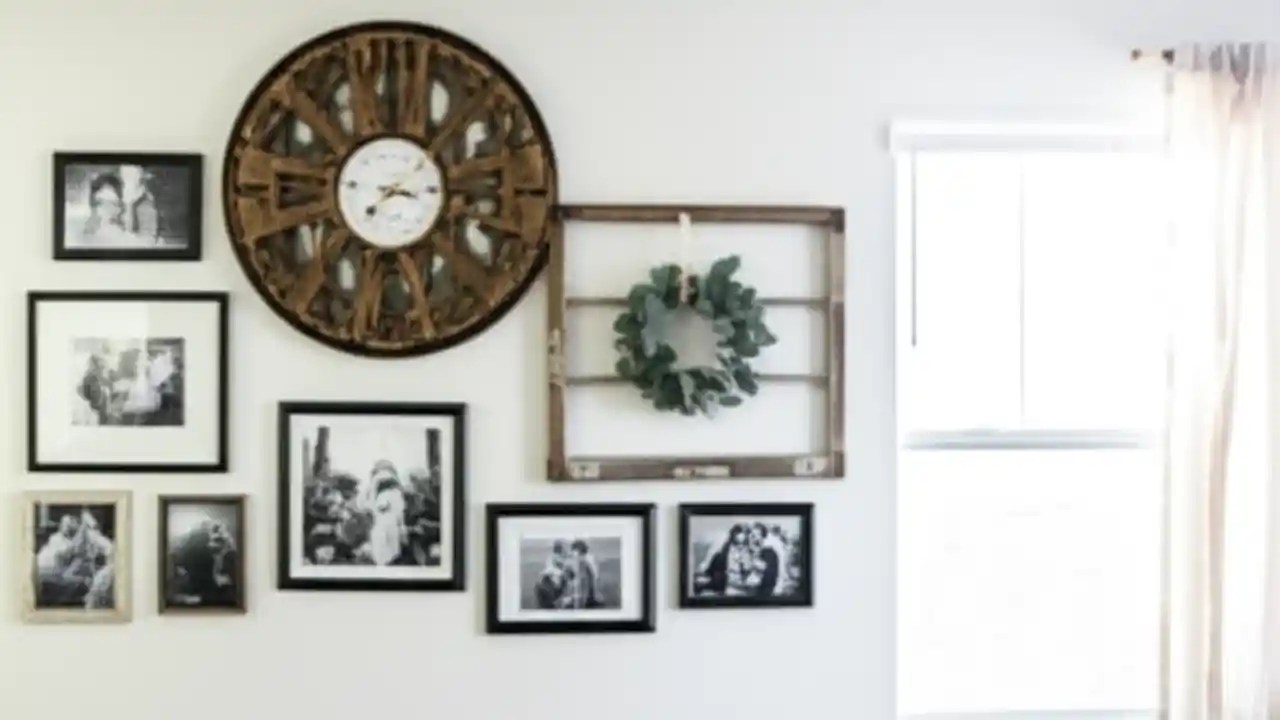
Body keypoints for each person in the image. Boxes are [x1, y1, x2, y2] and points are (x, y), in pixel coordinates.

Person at [535, 540, 572, 609]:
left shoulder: (552, 557)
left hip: (549, 577)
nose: (561, 550)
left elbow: (552, 566)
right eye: (560, 548)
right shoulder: (555, 557)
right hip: (552, 578)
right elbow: (554, 567)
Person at [570, 539, 603, 608]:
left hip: (587, 586)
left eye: (575, 551)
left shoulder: (586, 559)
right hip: (583, 587)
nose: (573, 553)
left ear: (579, 550)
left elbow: (593, 574)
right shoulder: (582, 559)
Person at [752, 522, 783, 597]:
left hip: (770, 580)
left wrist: (779, 584)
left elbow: (780, 563)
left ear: (762, 533)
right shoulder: (760, 544)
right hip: (764, 580)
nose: (755, 536)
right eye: (753, 534)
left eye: (757, 534)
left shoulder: (770, 545)